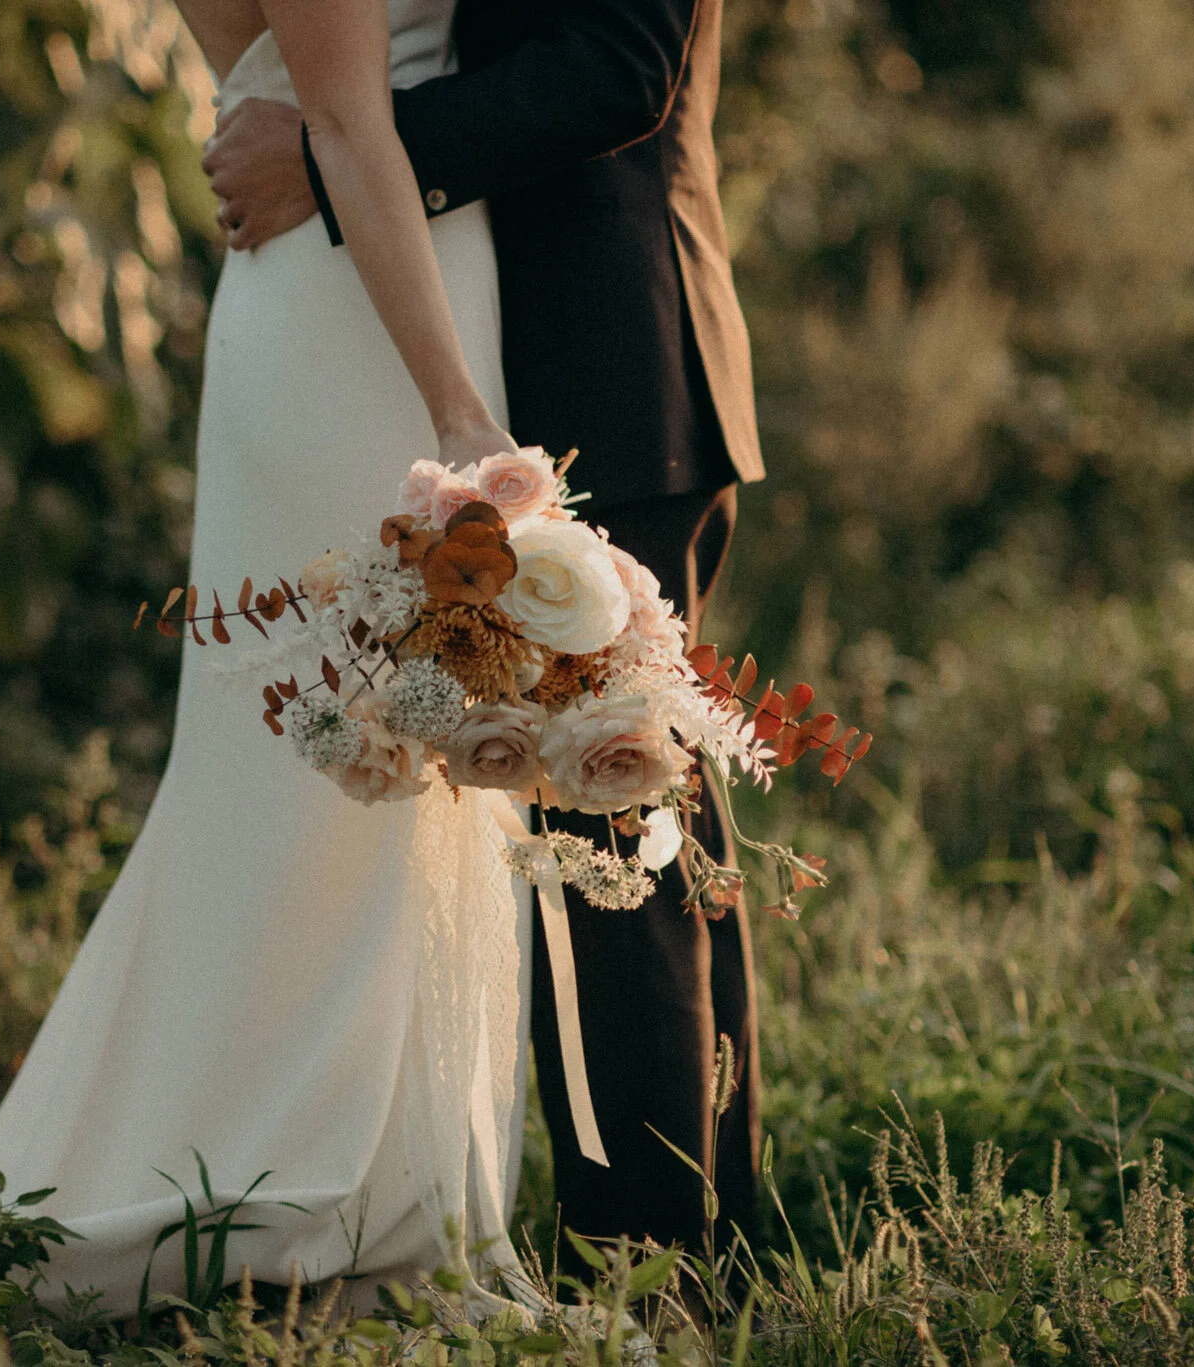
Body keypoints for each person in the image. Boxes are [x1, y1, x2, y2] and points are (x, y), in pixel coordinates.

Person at [0, 0, 533, 1308]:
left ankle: (386, 1197)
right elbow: (340, 121)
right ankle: (270, 1183)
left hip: (361, 277)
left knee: (396, 762)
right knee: (320, 769)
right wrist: (460, 410)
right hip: (370, 318)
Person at [202, 0, 767, 1265]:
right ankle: (705, 1224)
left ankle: (646, 1247)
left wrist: (332, 153)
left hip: (607, 352)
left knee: (613, 815)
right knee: (641, 811)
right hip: (525, 354)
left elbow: (615, 66)